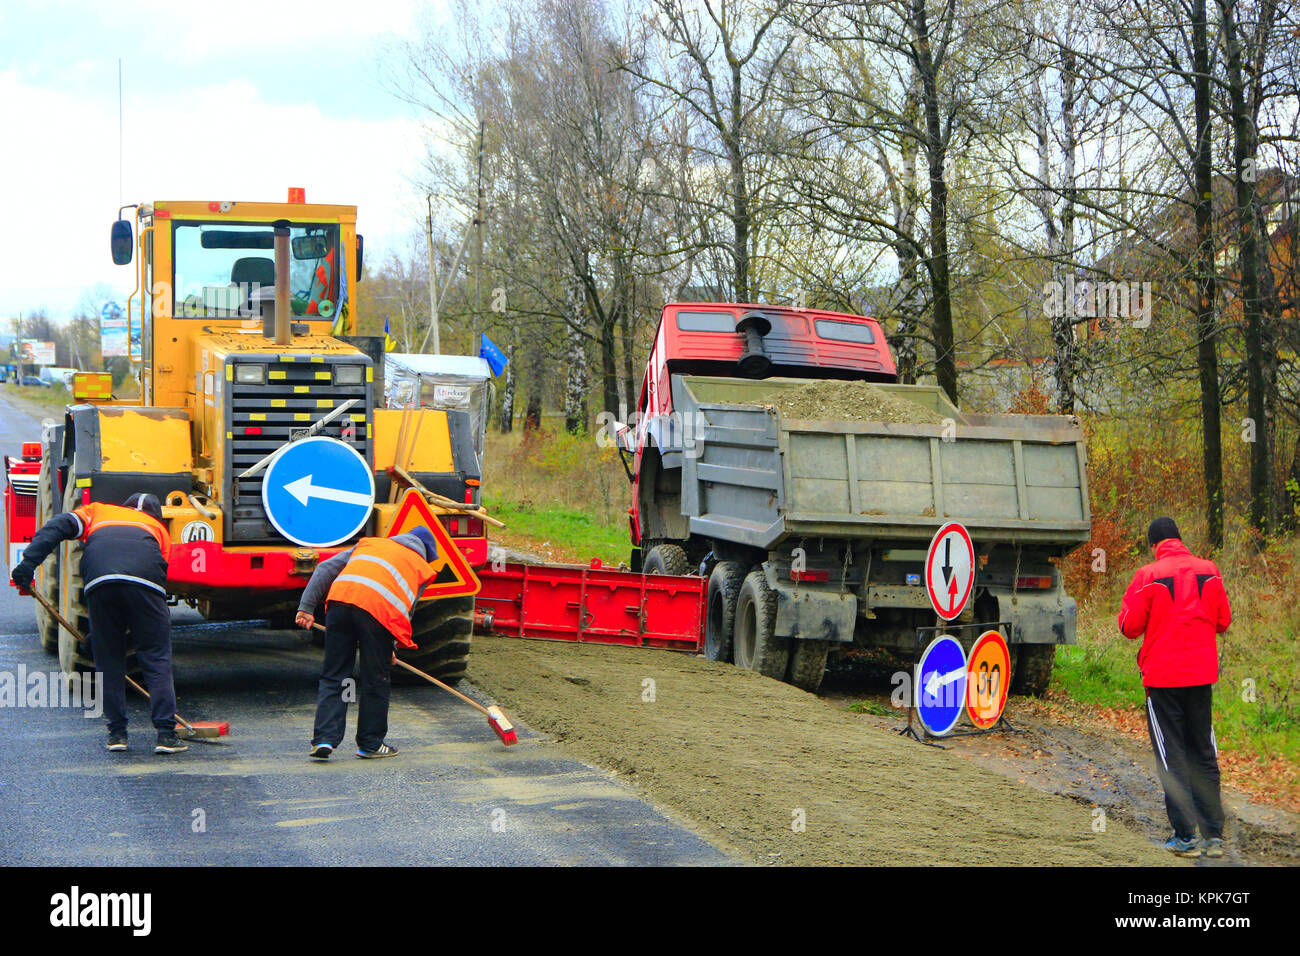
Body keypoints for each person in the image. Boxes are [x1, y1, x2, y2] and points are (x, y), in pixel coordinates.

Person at [11, 492, 184, 754]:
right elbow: (149, 583)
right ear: (154, 515)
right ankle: (166, 735)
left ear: (123, 506)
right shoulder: (160, 531)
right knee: (155, 656)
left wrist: (27, 564)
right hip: (146, 585)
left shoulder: (99, 511)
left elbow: (56, 527)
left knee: (108, 659)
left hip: (99, 583)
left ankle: (117, 734)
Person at [1118, 516, 1231, 859]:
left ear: (1154, 545)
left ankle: (1185, 838)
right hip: (1200, 678)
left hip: (1163, 680)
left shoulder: (1148, 576)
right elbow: (1223, 621)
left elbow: (1129, 627)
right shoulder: (1209, 569)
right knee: (1203, 752)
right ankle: (1214, 837)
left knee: (1172, 755)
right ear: (1180, 539)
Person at [295, 527, 439, 760]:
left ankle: (324, 740)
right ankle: (370, 744)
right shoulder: (420, 567)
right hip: (377, 615)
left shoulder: (369, 544)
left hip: (340, 605)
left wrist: (306, 608)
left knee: (335, 675)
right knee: (375, 679)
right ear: (425, 552)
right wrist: (391, 647)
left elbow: (324, 568)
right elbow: (404, 611)